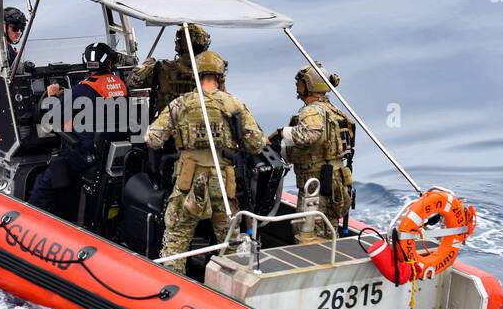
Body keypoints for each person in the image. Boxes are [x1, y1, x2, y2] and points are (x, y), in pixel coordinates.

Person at [144, 51, 266, 275]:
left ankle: (172, 285)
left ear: (196, 74)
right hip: (223, 182)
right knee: (229, 242)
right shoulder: (234, 105)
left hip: (189, 180)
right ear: (220, 76)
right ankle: (232, 288)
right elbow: (257, 144)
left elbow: (152, 139)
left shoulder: (181, 104)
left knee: (177, 239)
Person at [28, 41, 128, 212]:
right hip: (112, 149)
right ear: (109, 63)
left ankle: (28, 221)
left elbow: (55, 113)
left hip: (88, 152)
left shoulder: (84, 89)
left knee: (43, 183)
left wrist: (52, 95)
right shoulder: (120, 85)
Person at [274, 62, 355, 241]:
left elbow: (308, 135)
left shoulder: (311, 112)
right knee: (329, 227)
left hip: (315, 183)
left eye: (301, 83)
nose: (298, 86)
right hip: (333, 179)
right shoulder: (332, 111)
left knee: (307, 233)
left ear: (309, 85)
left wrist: (283, 133)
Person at [126, 24, 216, 117]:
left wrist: (146, 64)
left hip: (168, 127)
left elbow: (132, 81)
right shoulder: (212, 73)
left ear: (179, 44)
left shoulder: (163, 68)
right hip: (199, 127)